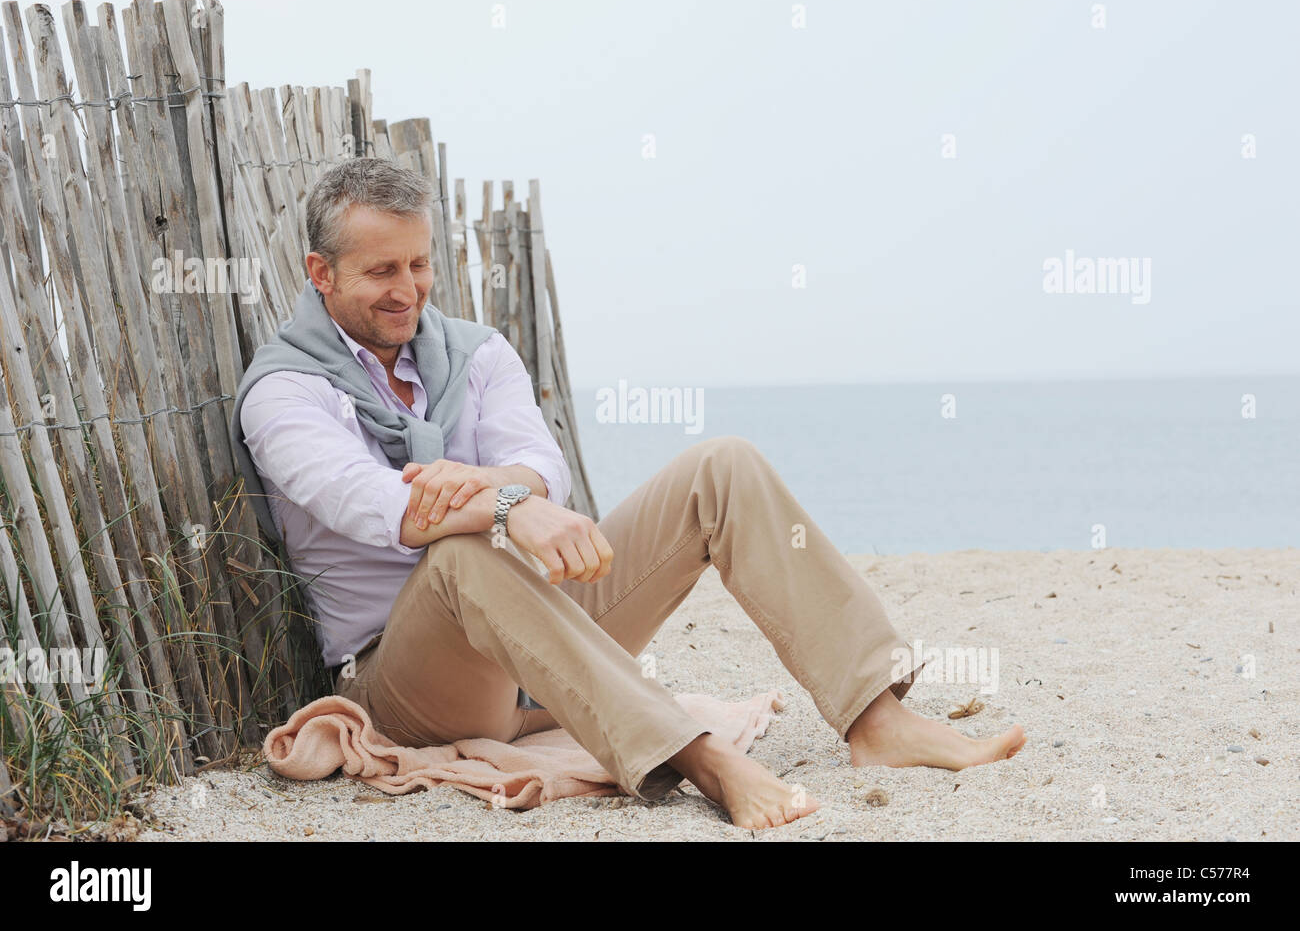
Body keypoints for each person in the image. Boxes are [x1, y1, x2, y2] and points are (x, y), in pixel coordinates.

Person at [231, 158, 1026, 830]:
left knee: (724, 465)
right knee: (461, 552)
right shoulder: (284, 392)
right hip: (416, 681)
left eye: (419, 265)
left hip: (544, 646)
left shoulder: (476, 354)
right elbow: (383, 508)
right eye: (381, 271)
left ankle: (877, 719)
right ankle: (700, 760)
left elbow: (541, 467)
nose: (408, 290)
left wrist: (501, 487)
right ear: (321, 273)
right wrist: (507, 507)